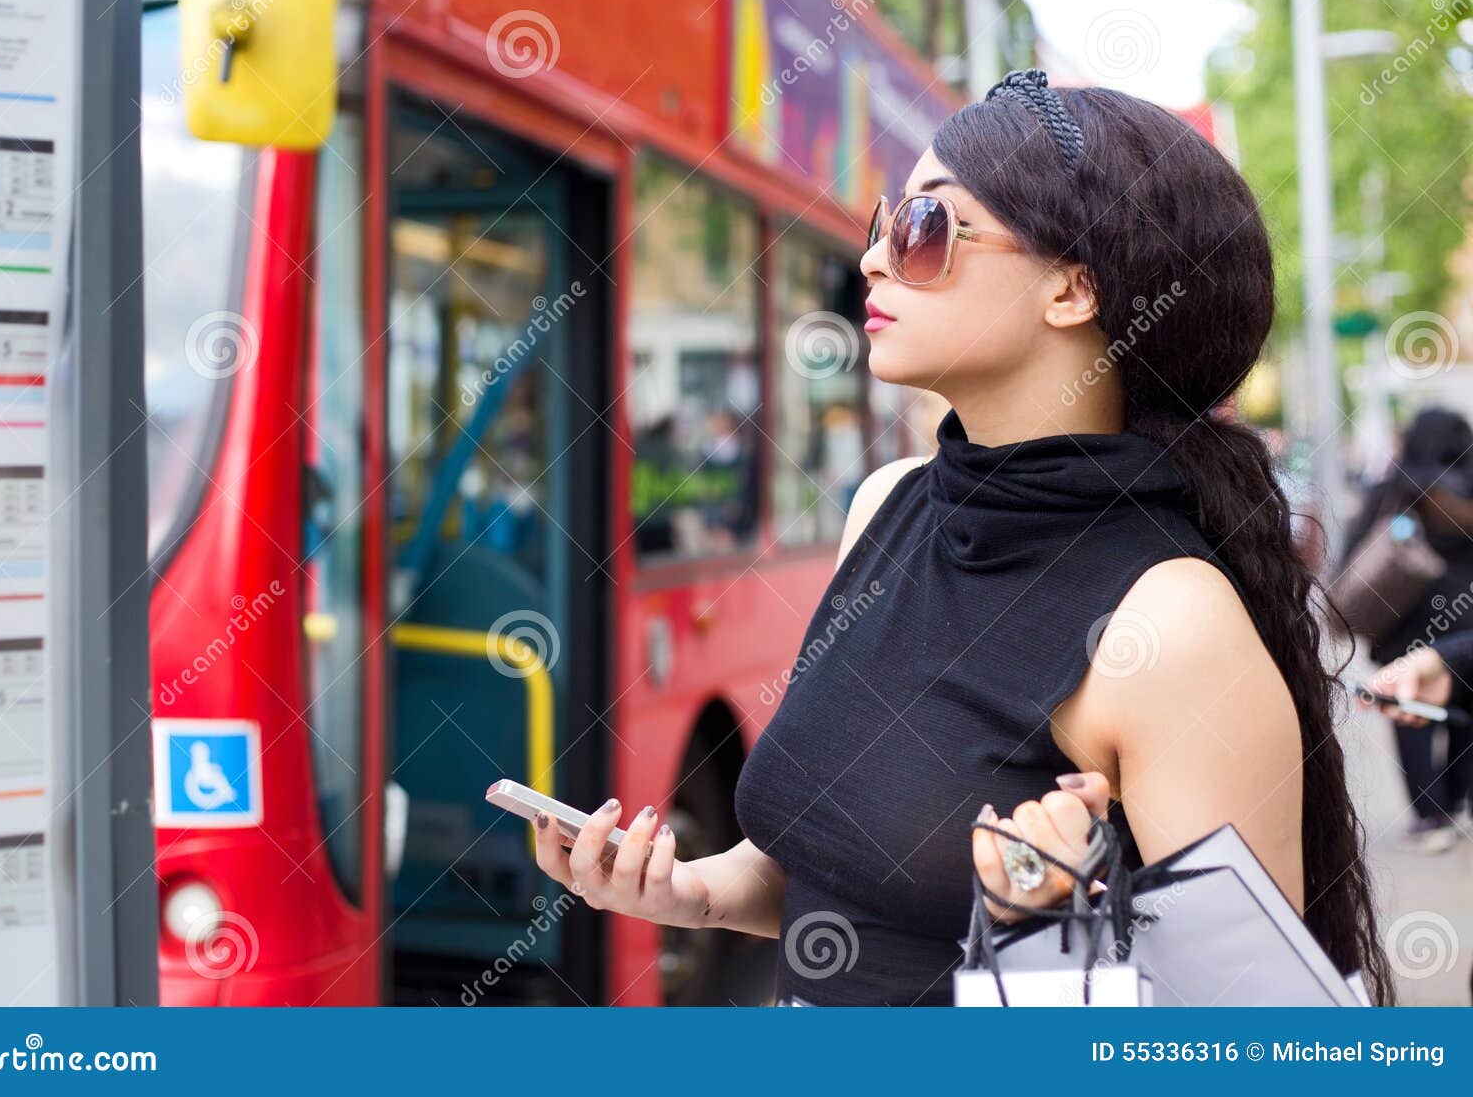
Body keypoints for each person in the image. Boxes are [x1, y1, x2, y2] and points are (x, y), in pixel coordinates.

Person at [526, 70, 1392, 1005]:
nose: (873, 261)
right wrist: (690, 892)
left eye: (926, 232)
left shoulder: (1172, 625)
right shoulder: (887, 506)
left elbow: (1248, 1041)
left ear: (1072, 289)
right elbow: (841, 873)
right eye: (883, 225)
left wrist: (1051, 940)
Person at [1342, 408, 1473, 854]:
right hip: (1465, 623)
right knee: (1463, 717)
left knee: (1409, 716)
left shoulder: (1397, 486)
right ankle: (1455, 803)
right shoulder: (1467, 483)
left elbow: (1355, 546)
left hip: (1405, 624)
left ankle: (1429, 814)